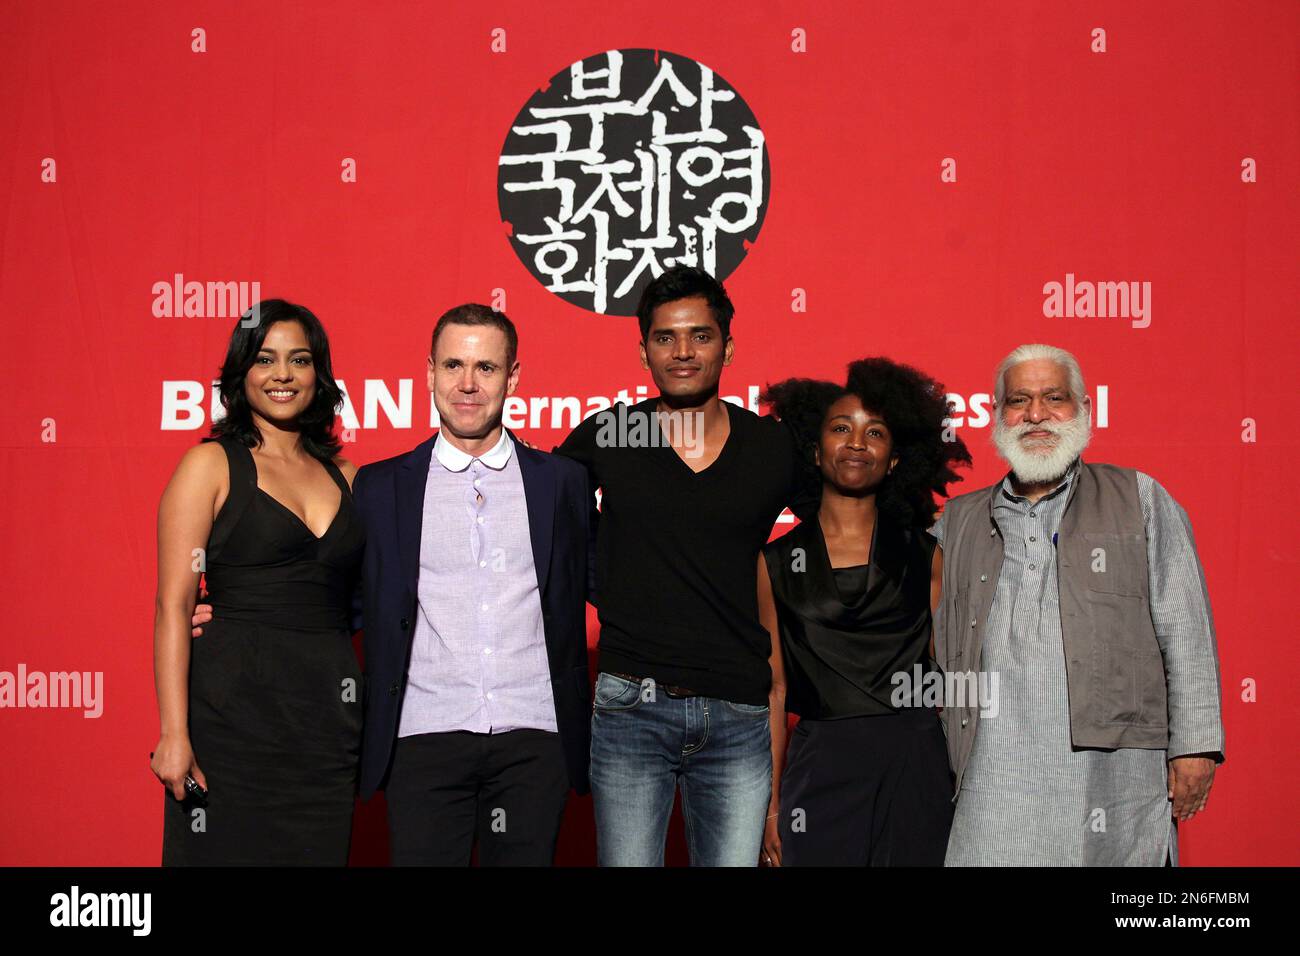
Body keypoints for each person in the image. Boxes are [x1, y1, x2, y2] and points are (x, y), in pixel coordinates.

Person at [195, 304, 593, 865]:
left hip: (535, 735)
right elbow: (334, 592)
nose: (468, 384)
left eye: (486, 368)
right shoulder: (380, 487)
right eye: (453, 365)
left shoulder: (562, 482)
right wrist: (234, 614)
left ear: (514, 376)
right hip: (422, 737)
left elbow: (608, 582)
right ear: (429, 372)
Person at [556, 265, 810, 866]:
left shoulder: (772, 447)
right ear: (643, 351)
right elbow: (549, 519)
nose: (683, 351)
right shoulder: (610, 433)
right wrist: (609, 583)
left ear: (729, 345)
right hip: (630, 709)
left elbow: (837, 533)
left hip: (740, 714)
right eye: (665, 338)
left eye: (700, 335)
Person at [933, 343, 1224, 866]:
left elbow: (1185, 627)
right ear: (997, 416)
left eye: (1054, 399)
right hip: (991, 766)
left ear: (1084, 410)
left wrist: (1195, 745)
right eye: (1019, 401)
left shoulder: (1139, 498)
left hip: (1110, 768)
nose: (1036, 415)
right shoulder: (958, 521)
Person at [153, 299, 364, 865]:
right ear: (241, 370)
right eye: (266, 359)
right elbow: (174, 607)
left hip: (326, 726)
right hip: (231, 724)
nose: (282, 375)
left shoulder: (351, 478)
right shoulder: (210, 465)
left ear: (318, 373)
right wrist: (175, 734)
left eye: (299, 360)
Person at [757, 359, 969, 866]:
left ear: (895, 459)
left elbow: (953, 678)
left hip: (914, 760)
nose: (856, 443)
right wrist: (770, 806)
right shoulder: (775, 563)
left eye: (874, 432)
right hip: (820, 766)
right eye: (840, 429)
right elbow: (775, 690)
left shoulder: (928, 555)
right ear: (814, 449)